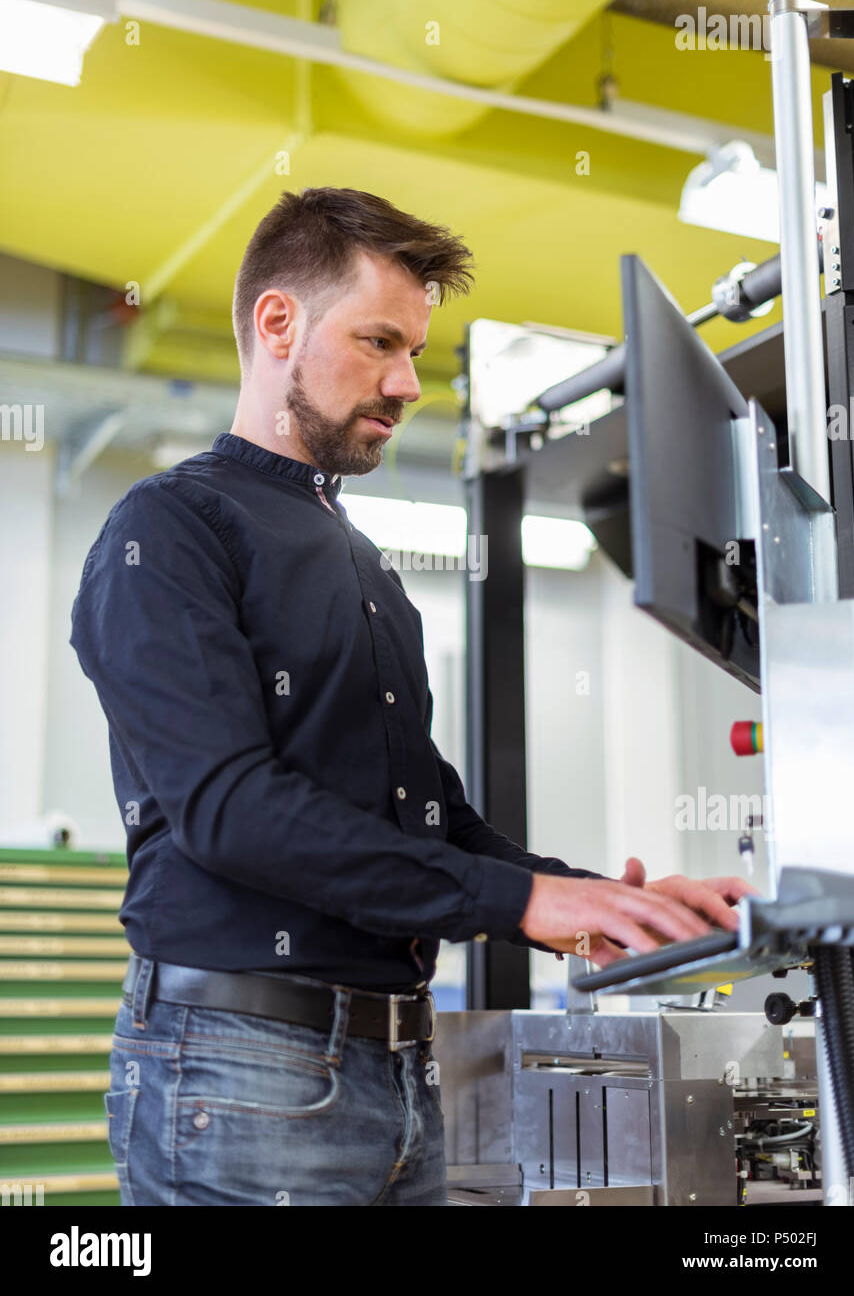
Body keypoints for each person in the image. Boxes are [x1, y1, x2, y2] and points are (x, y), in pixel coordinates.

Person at [71, 187, 753, 1207]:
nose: (407, 382)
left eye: (417, 353)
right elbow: (231, 811)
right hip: (241, 1071)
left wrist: (602, 904)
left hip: (400, 1067)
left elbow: (436, 820)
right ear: (278, 322)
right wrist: (523, 899)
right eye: (381, 341)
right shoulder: (168, 531)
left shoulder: (364, 564)